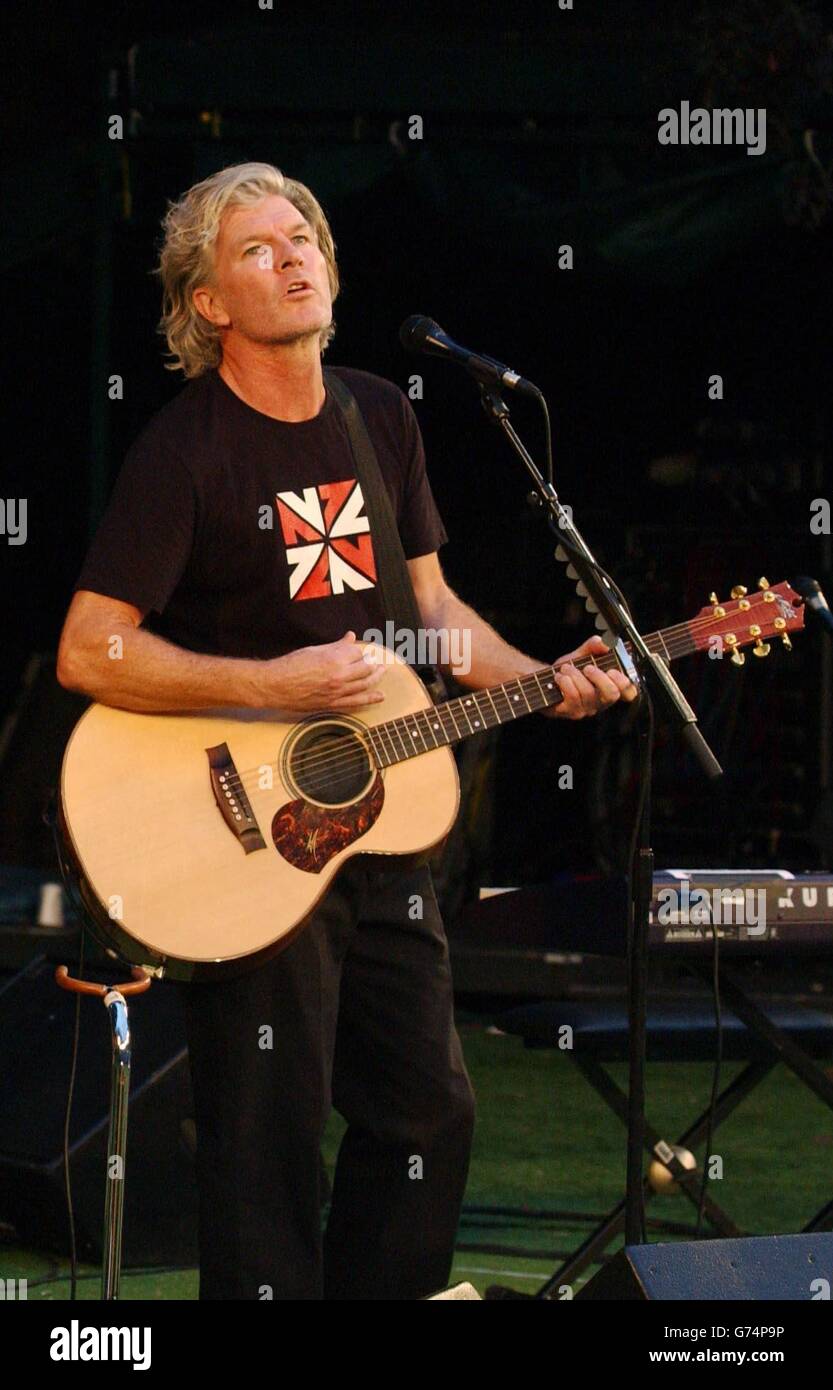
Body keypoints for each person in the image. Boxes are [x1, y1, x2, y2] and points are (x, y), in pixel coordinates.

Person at [56, 162, 637, 1300]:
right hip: (246, 828)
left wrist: (545, 676)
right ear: (209, 303)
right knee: (266, 1141)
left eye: (304, 235)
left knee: (428, 1109)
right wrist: (273, 689)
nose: (295, 255)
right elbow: (90, 646)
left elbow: (433, 614)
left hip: (381, 834)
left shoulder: (379, 412)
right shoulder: (186, 449)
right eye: (260, 248)